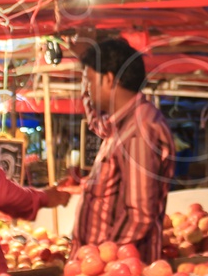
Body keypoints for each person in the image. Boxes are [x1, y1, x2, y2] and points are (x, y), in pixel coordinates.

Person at [71, 37, 175, 264]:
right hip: (100, 274)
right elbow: (95, 120)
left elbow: (138, 215)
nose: (87, 89)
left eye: (89, 81)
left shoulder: (140, 130)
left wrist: (101, 265)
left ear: (108, 79)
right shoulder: (119, 126)